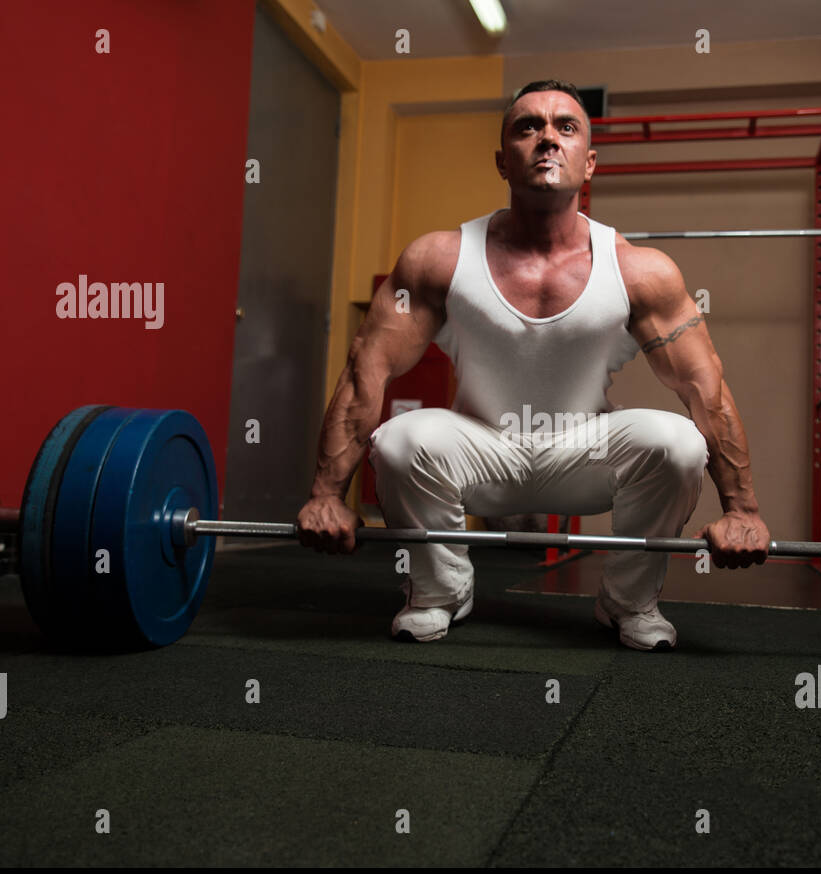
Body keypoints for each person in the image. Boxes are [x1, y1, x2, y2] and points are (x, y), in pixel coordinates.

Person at [297, 79, 769, 651]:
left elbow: (706, 390)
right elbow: (364, 369)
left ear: (588, 162)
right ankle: (441, 592)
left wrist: (742, 509)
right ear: (503, 160)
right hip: (477, 448)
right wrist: (326, 494)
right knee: (400, 440)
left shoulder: (641, 271)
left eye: (565, 127)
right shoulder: (437, 260)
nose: (547, 137)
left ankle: (627, 601)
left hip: (584, 453)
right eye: (528, 126)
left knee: (678, 443)